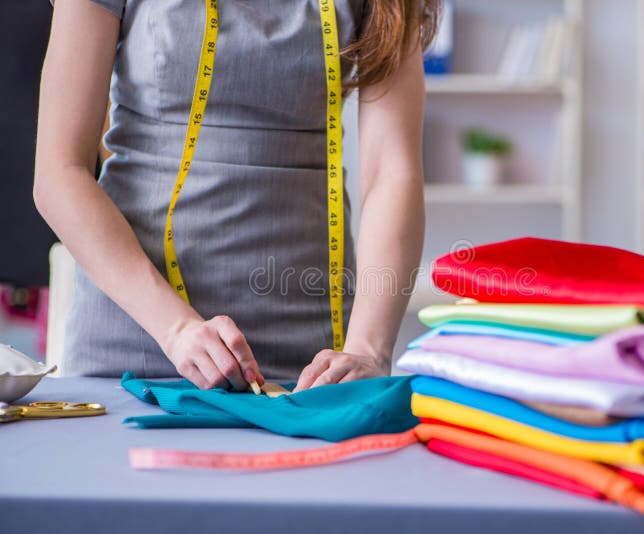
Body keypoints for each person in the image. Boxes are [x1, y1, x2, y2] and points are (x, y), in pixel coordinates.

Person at [34, 0, 438, 392]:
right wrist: (176, 330)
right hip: (136, 341)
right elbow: (59, 173)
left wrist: (368, 349)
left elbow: (392, 173)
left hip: (313, 361)